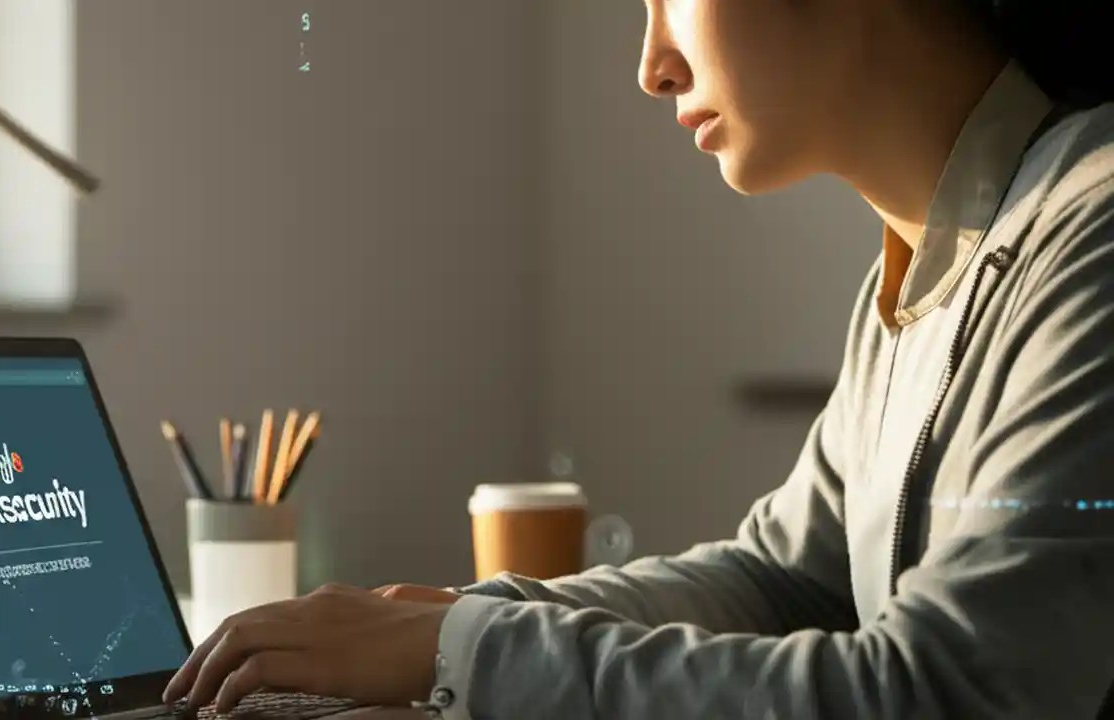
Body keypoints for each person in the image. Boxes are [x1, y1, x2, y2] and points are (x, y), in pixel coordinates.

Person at [163, 0, 1114, 717]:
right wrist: (459, 620)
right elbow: (781, 581)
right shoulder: (912, 278)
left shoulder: (1095, 233)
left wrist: (468, 648)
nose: (652, 66)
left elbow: (947, 691)